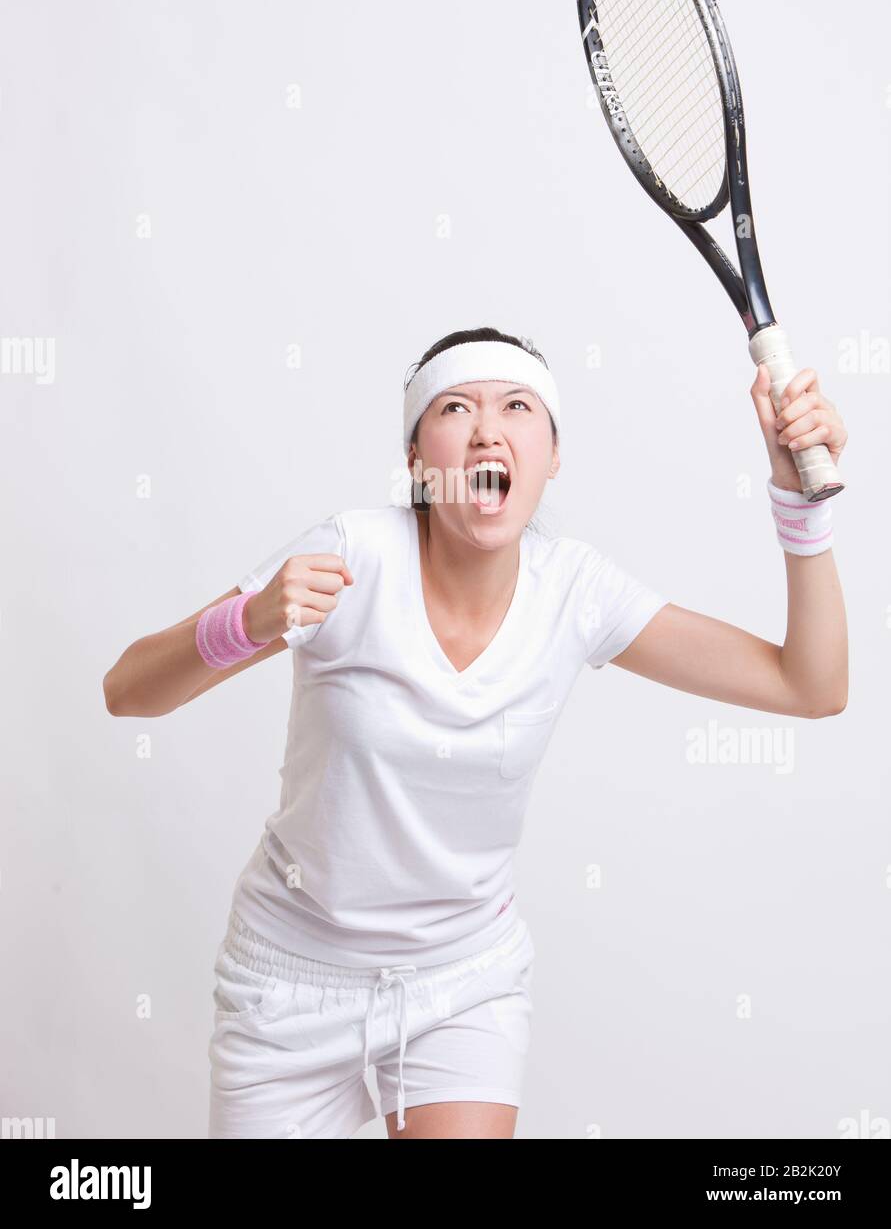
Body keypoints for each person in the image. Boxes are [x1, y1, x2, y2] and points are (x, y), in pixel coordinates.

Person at [102, 325, 848, 1140]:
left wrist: (798, 501)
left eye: (517, 406)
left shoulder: (575, 592)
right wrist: (247, 621)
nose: (488, 428)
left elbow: (808, 686)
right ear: (418, 461)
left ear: (552, 456)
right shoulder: (351, 555)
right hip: (289, 984)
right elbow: (127, 691)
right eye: (456, 407)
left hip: (462, 982)